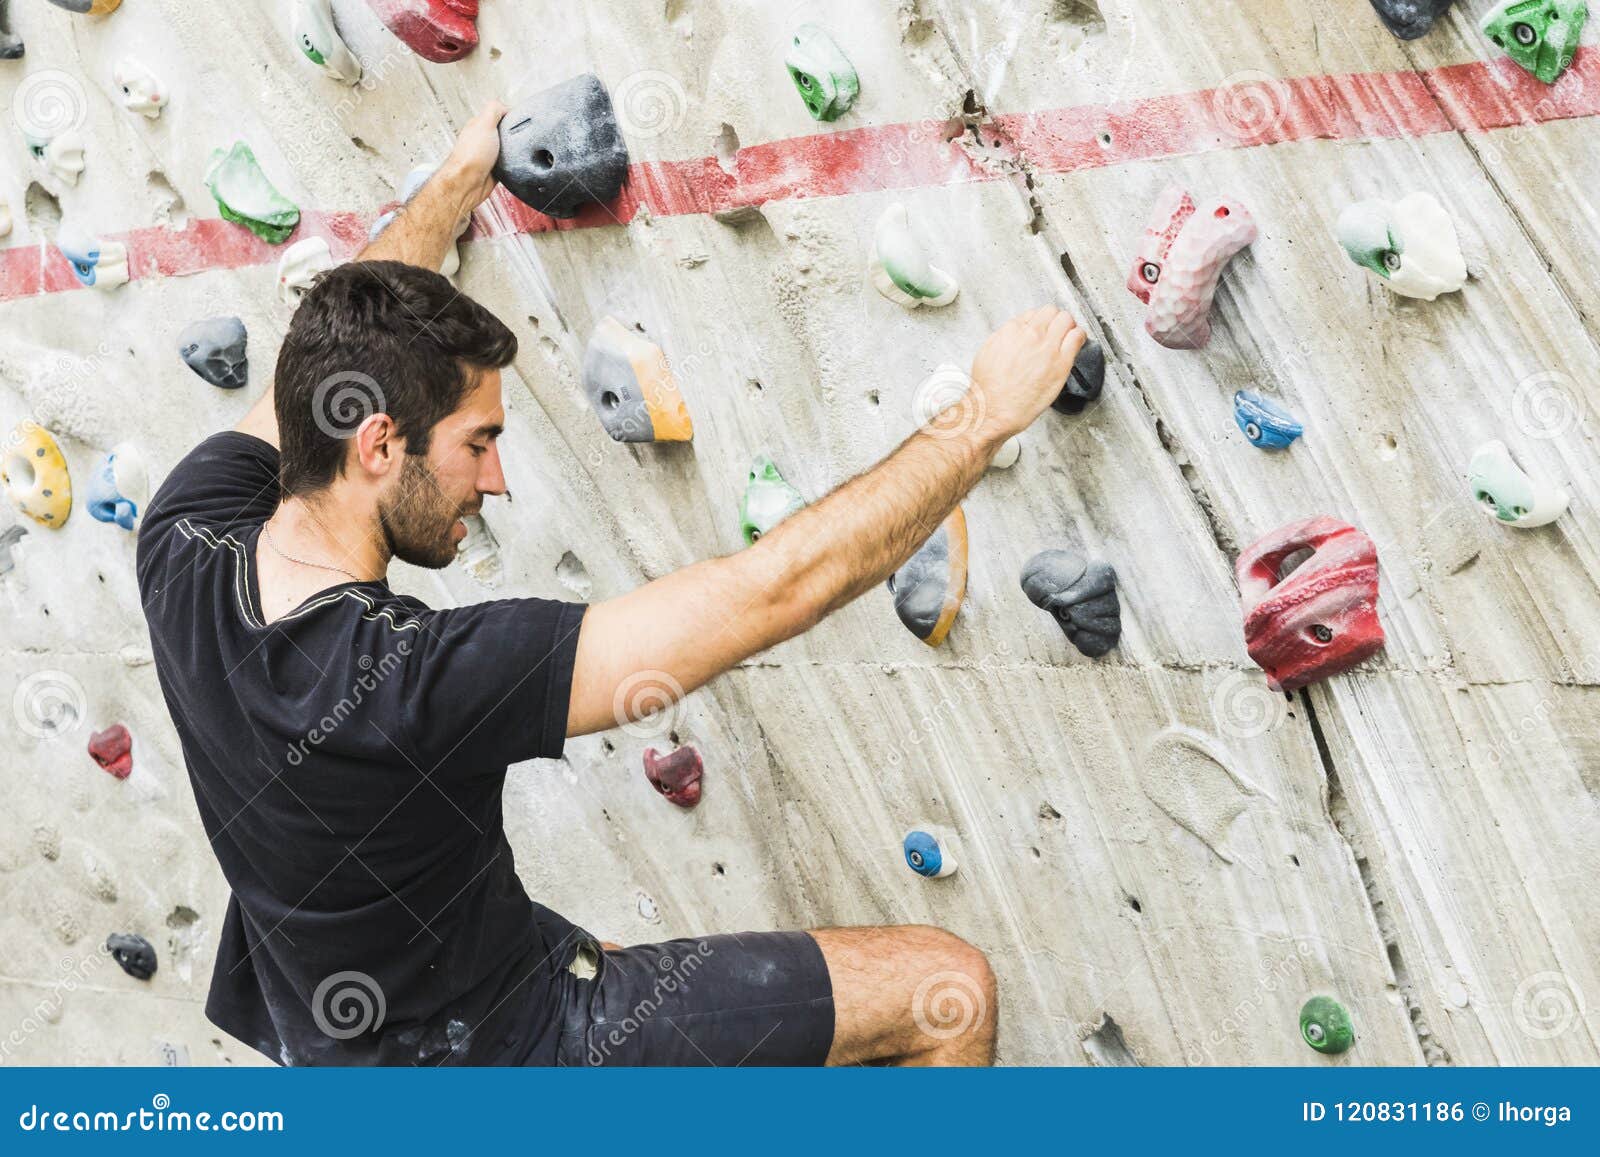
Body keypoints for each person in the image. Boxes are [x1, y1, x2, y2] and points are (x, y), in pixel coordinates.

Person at [136, 102, 1088, 1067]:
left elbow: (328, 345)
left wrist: (458, 186)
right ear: (379, 444)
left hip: (347, 1044)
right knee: (945, 990)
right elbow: (771, 589)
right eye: (480, 443)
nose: (497, 480)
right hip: (509, 1053)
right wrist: (981, 418)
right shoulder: (411, 679)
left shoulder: (183, 539)